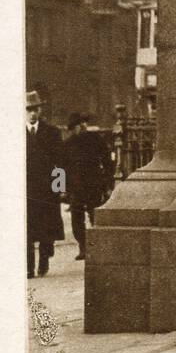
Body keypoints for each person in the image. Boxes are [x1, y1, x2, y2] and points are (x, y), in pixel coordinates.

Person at [64, 112, 114, 261]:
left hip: (94, 184)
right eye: (79, 124)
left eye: (84, 123)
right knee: (76, 219)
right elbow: (59, 167)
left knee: (95, 215)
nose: (83, 126)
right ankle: (83, 248)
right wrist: (59, 189)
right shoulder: (67, 144)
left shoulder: (95, 139)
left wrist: (107, 180)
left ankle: (96, 247)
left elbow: (107, 160)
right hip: (75, 187)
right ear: (73, 128)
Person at [26, 89, 64, 278]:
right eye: (29, 109)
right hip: (25, 190)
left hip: (47, 190)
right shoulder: (13, 133)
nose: (32, 113)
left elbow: (60, 163)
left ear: (40, 111)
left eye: (35, 109)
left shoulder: (52, 133)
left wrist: (60, 188)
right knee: (26, 229)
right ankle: (28, 268)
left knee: (45, 229)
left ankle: (43, 263)